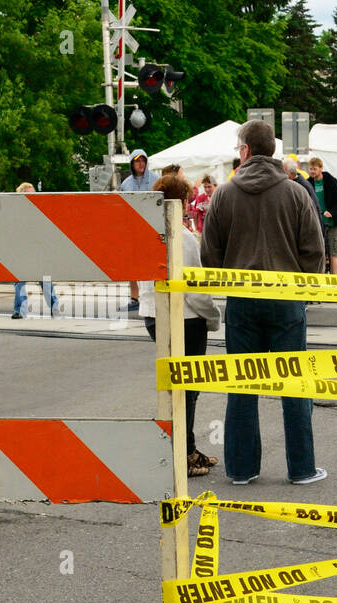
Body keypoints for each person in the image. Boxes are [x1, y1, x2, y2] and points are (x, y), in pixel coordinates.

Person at [199, 119, 327, 486]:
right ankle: (302, 468)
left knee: (241, 384)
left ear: (245, 151)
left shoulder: (223, 194)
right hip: (286, 300)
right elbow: (314, 251)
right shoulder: (296, 193)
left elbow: (210, 254)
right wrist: (304, 290)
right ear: (271, 150)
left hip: (242, 300)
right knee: (294, 386)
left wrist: (231, 275)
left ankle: (241, 468)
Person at [138, 175, 222, 477]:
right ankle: (184, 453)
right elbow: (195, 291)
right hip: (186, 319)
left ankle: (184, 448)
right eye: (187, 199)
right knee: (188, 389)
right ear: (181, 202)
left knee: (175, 387)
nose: (189, 205)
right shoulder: (183, 238)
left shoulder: (147, 233)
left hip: (153, 315)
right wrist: (214, 317)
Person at [11, 182, 60, 319]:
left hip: (38, 251)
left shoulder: (41, 210)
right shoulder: (16, 213)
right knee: (19, 281)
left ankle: (54, 308)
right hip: (22, 251)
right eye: (28, 194)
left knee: (45, 281)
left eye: (33, 194)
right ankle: (20, 311)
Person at [119, 149, 156, 310]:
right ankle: (135, 297)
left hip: (151, 228)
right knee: (132, 264)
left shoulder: (156, 180)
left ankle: (155, 294)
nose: (140, 164)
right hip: (132, 229)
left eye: (143, 161)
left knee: (152, 264)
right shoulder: (126, 184)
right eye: (137, 161)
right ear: (132, 163)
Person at [307, 156, 337, 274]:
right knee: (318, 253)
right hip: (316, 224)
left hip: (332, 223)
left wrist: (332, 213)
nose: (312, 171)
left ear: (321, 168)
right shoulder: (308, 183)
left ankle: (334, 280)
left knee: (333, 253)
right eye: (310, 169)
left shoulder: (331, 181)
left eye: (314, 169)